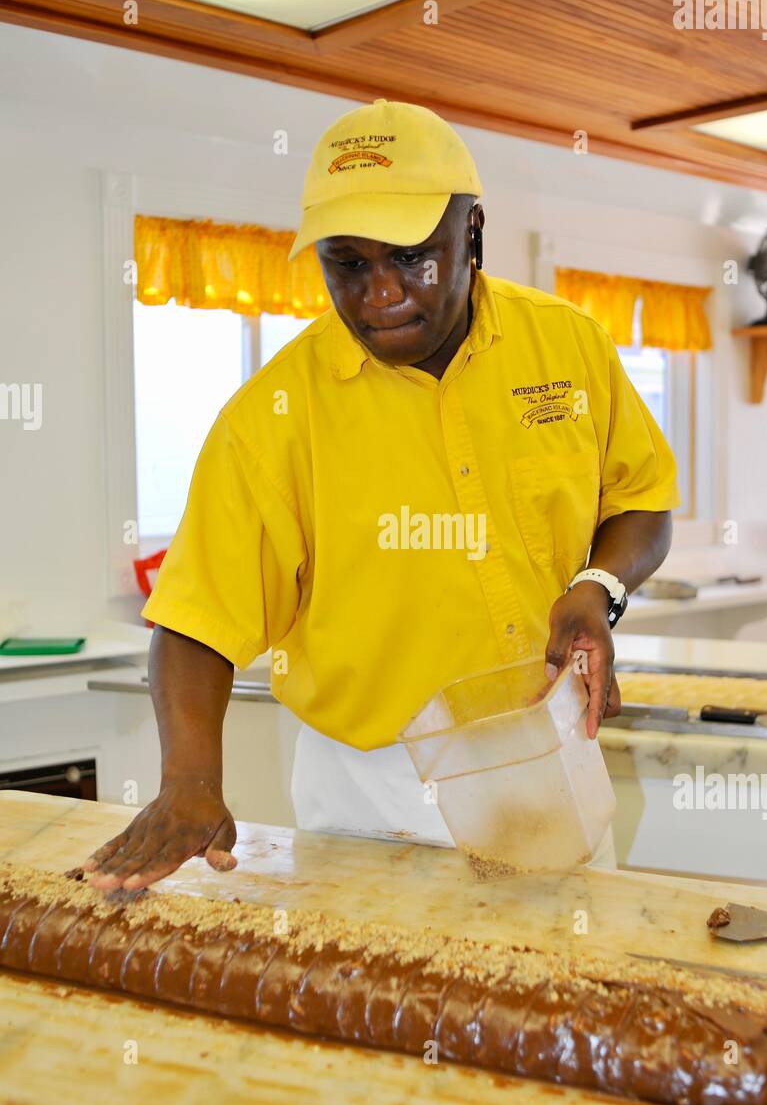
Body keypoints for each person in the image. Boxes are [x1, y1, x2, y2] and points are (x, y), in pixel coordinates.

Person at [85, 98, 678, 891]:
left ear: (471, 232)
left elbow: (641, 499)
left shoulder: (566, 345)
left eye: (410, 256)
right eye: (348, 264)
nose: (381, 294)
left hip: (550, 760)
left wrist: (595, 588)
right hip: (377, 798)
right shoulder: (272, 418)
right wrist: (189, 782)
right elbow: (198, 618)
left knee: (571, 999)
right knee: (389, 1008)